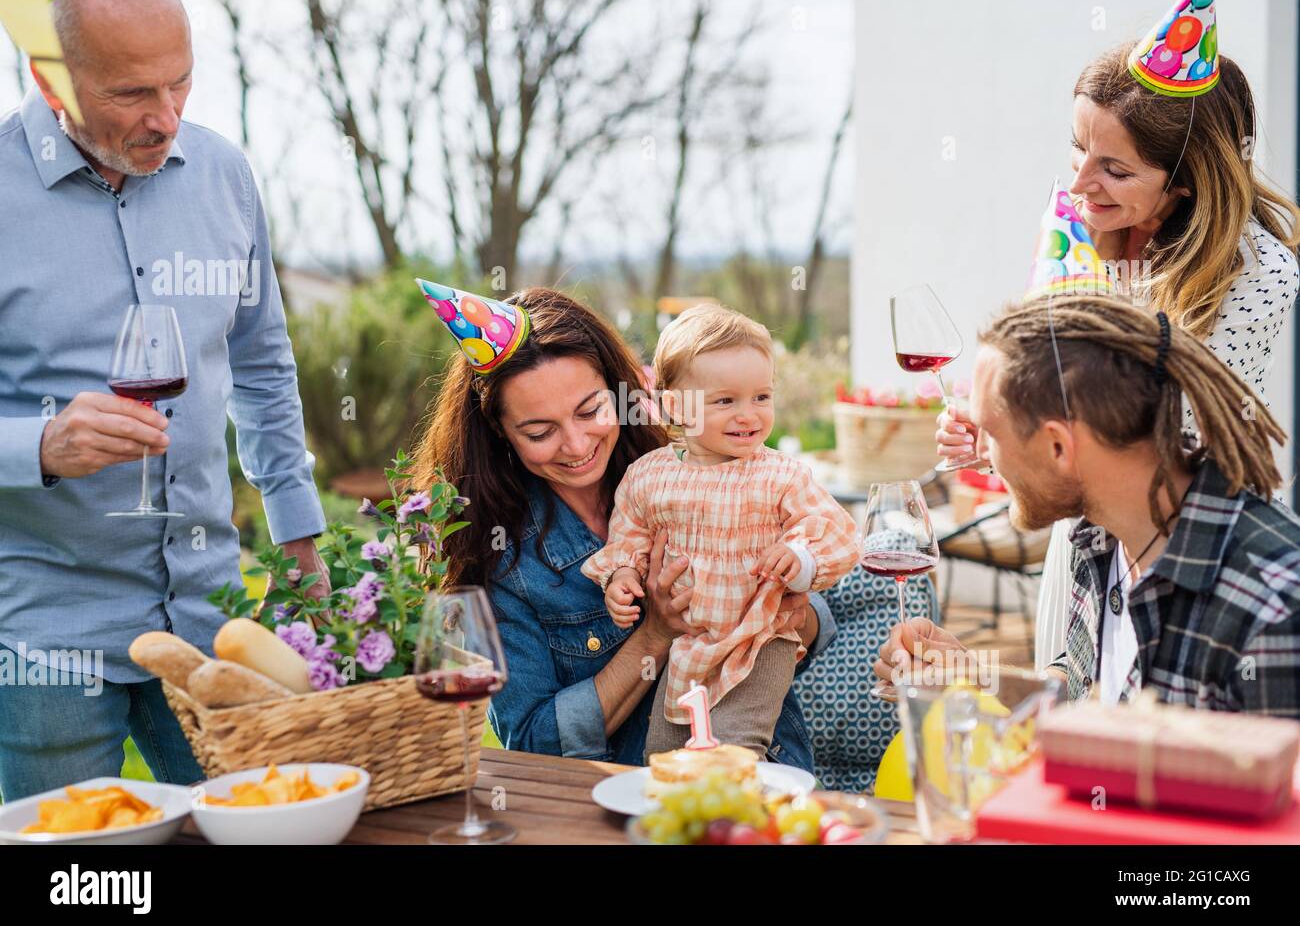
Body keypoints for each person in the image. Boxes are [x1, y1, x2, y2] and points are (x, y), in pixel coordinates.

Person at [0, 0, 327, 801]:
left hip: (210, 612)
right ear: (51, 81)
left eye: (180, 80)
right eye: (133, 92)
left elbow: (261, 362)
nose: (167, 116)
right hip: (45, 632)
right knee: (75, 873)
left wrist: (298, 532)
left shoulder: (222, 173)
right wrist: (38, 445)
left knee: (261, 826)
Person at [936, 0, 1300, 669]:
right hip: (1088, 535)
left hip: (1193, 547)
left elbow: (1160, 425)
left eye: (1115, 169)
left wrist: (1027, 421)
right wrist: (993, 429)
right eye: (1079, 150)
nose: (1080, 184)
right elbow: (1045, 384)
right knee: (1079, 722)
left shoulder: (1258, 271)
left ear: (1187, 183)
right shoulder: (1079, 229)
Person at [411, 283, 838, 769]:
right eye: (540, 431)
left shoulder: (688, 459)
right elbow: (533, 743)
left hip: (768, 770)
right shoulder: (502, 556)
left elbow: (816, 616)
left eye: (591, 410)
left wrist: (787, 599)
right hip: (631, 795)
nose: (576, 444)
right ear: (499, 433)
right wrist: (655, 633)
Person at [879, 296, 1300, 716]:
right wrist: (971, 678)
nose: (981, 453)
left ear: (1059, 446)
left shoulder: (1275, 608)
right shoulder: (1102, 531)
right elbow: (1086, 694)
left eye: (989, 433)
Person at [582, 305, 859, 761]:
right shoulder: (648, 476)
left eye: (762, 398)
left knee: (734, 749)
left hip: (759, 635)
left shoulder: (779, 476)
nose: (748, 415)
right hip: (685, 645)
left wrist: (801, 558)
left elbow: (834, 532)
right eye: (725, 401)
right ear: (675, 407)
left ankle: (735, 823)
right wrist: (621, 578)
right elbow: (628, 535)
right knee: (665, 755)